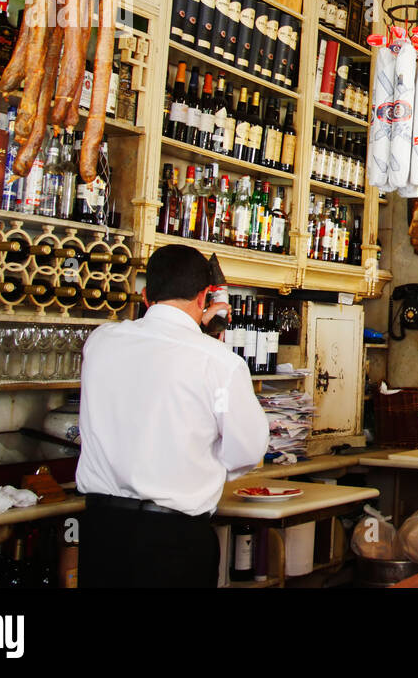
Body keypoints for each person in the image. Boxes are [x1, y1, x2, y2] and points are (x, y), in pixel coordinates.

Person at [76, 244, 270, 587]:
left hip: (100, 533)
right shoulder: (220, 362)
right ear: (204, 298)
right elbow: (247, 451)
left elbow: (151, 370)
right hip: (173, 540)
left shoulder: (100, 342)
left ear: (145, 295)